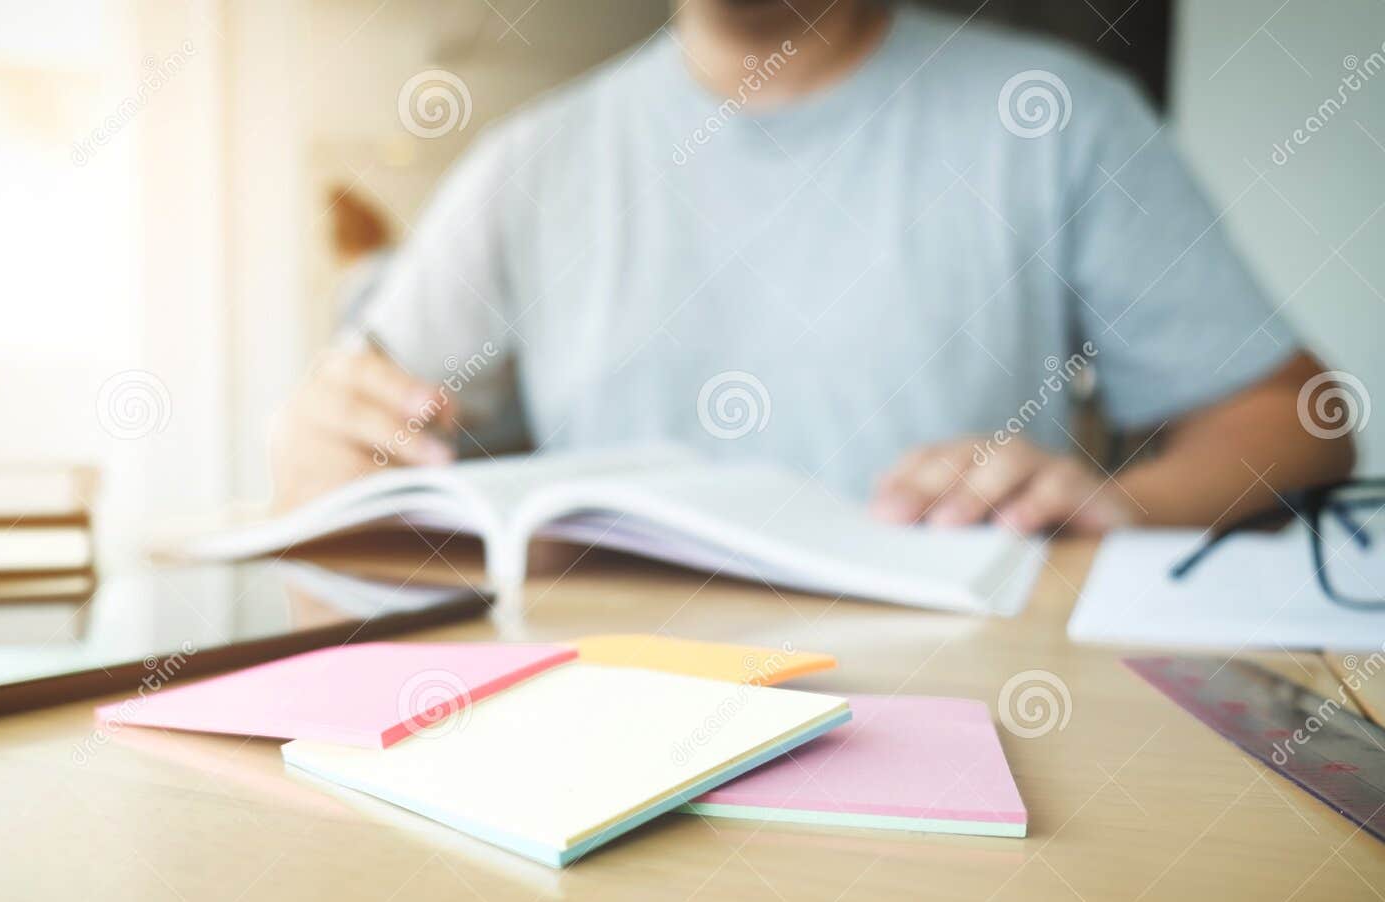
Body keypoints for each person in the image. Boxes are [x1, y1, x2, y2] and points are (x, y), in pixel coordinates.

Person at [272, 0, 1354, 535]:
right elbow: (349, 443)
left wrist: (1116, 506)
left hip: (972, 723)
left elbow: (1298, 419)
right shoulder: (528, 164)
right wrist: (316, 450)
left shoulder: (1057, 117)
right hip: (608, 726)